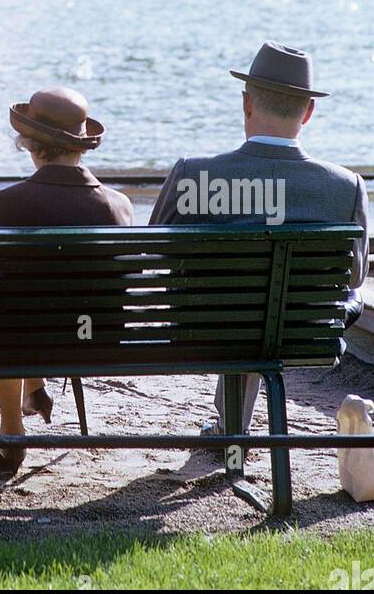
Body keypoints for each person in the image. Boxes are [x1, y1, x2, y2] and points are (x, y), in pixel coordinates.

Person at [150, 42, 370, 437]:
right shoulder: (345, 187)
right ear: (308, 112)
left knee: (241, 307)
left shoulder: (193, 174)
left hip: (201, 328)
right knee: (280, 305)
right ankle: (232, 426)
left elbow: (153, 252)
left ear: (246, 104)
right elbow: (353, 277)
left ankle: (230, 428)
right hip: (303, 333)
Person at [0, 87, 133, 472]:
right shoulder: (120, 207)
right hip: (97, 341)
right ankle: (36, 388)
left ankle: (12, 430)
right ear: (82, 144)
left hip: (22, 337)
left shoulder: (6, 206)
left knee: (4, 304)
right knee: (28, 297)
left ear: (30, 144)